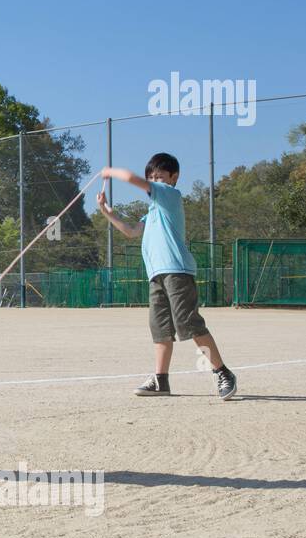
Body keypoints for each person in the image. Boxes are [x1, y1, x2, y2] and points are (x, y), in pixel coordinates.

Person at [97, 153, 238, 400]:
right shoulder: (151, 212)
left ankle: (223, 372)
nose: (154, 180)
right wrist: (106, 211)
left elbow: (131, 178)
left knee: (189, 324)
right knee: (160, 328)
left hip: (177, 271)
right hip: (156, 275)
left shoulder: (169, 195)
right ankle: (160, 380)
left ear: (174, 178)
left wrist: (112, 171)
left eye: (159, 176)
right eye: (152, 177)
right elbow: (131, 231)